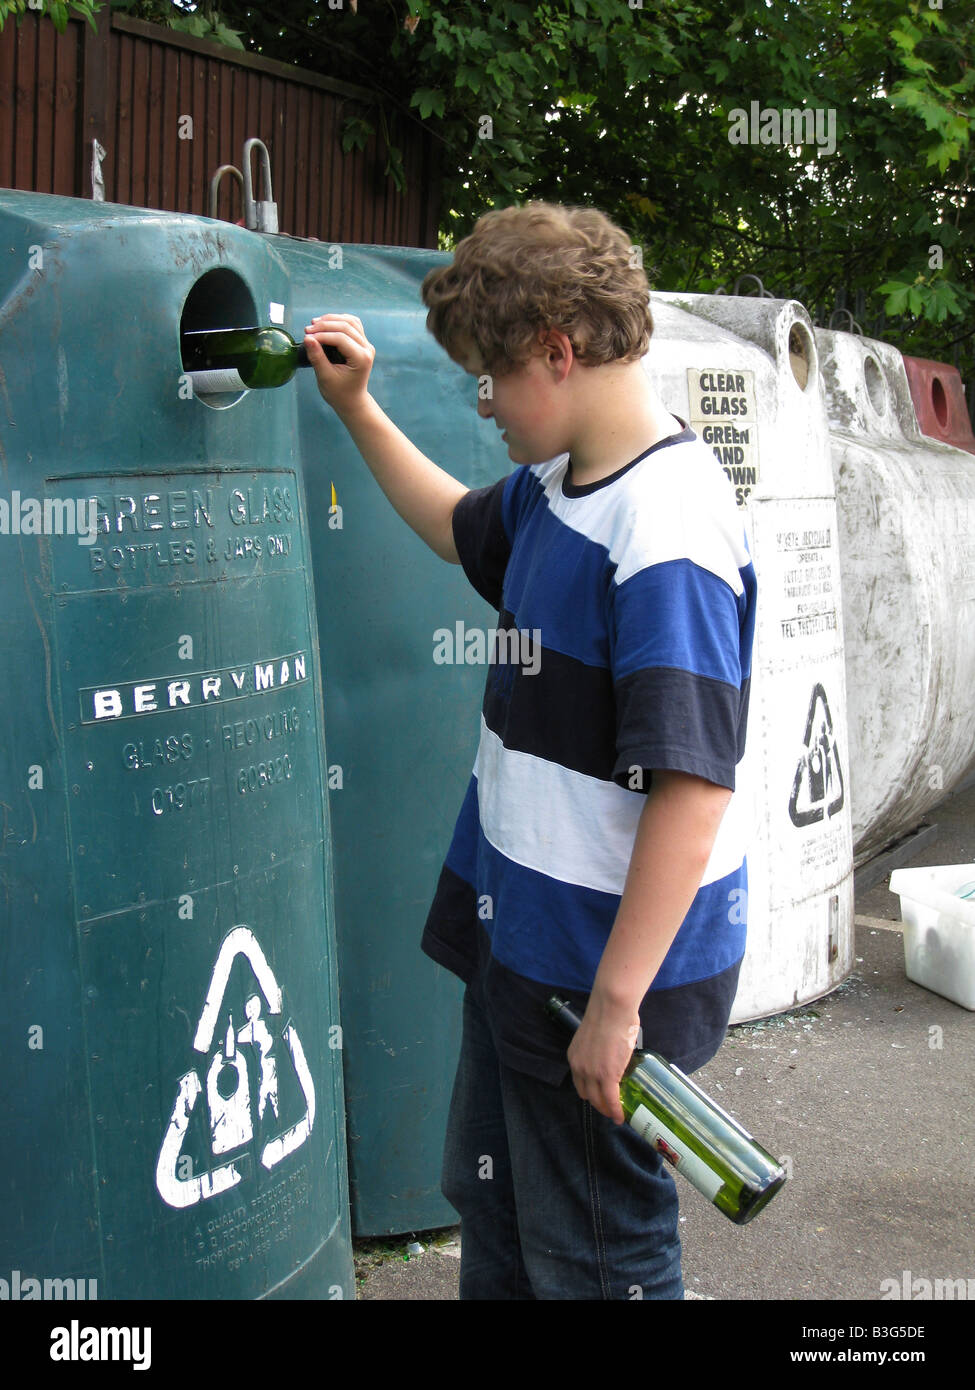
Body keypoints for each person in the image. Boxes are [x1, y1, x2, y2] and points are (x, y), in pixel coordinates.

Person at [303, 201, 757, 1300]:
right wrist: (356, 408)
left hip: (599, 975)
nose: (486, 404)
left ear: (559, 351)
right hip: (528, 944)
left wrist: (614, 1008)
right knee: (499, 1205)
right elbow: (459, 523)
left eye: (493, 379)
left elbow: (692, 788)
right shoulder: (562, 487)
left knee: (598, 1252)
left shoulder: (669, 528)